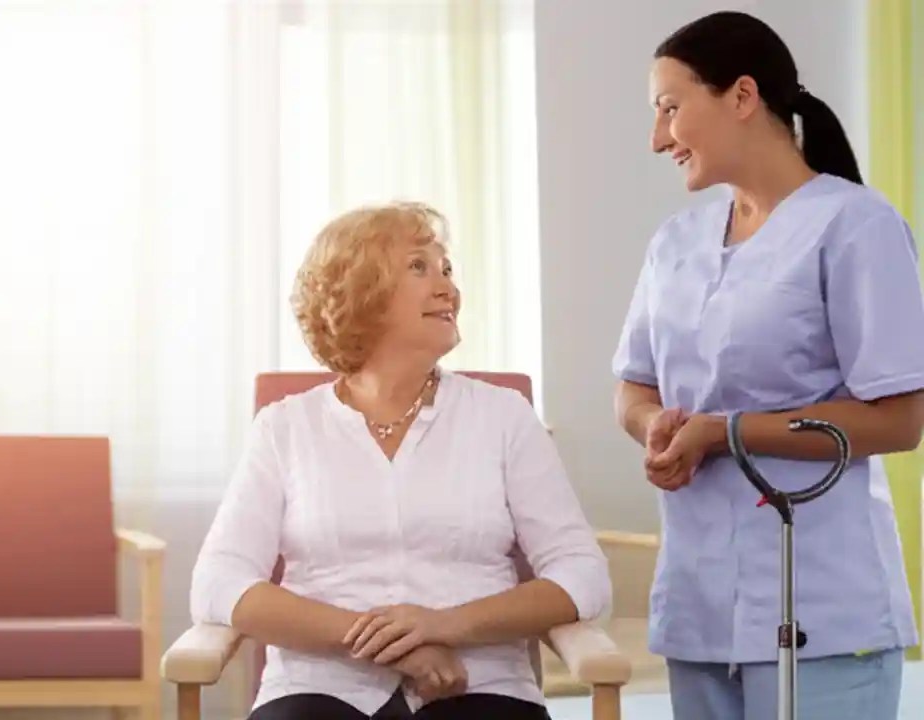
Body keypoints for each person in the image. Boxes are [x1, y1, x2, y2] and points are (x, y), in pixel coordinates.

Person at [613, 10, 924, 720]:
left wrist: (726, 433)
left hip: (822, 606)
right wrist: (655, 424)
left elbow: (900, 420)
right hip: (698, 605)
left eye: (669, 109)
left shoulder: (856, 226)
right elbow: (633, 384)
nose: (657, 137)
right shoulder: (677, 242)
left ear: (743, 96)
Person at [190, 201, 610, 720]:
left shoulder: (504, 416)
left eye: (447, 269)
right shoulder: (285, 427)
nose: (448, 287)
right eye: (419, 267)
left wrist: (445, 625)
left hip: (479, 683)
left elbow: (581, 574)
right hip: (319, 685)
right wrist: (392, 643)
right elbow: (219, 581)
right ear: (359, 291)